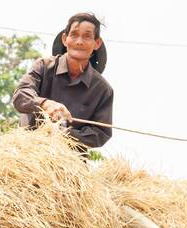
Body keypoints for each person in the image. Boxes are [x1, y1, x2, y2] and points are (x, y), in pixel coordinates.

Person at [12, 11, 113, 153]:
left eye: (87, 36)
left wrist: (64, 135)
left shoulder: (103, 89)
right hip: (27, 152)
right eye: (74, 35)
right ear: (65, 39)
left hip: (69, 163)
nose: (79, 41)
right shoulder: (43, 67)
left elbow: (101, 133)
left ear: (97, 43)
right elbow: (20, 95)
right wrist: (44, 104)